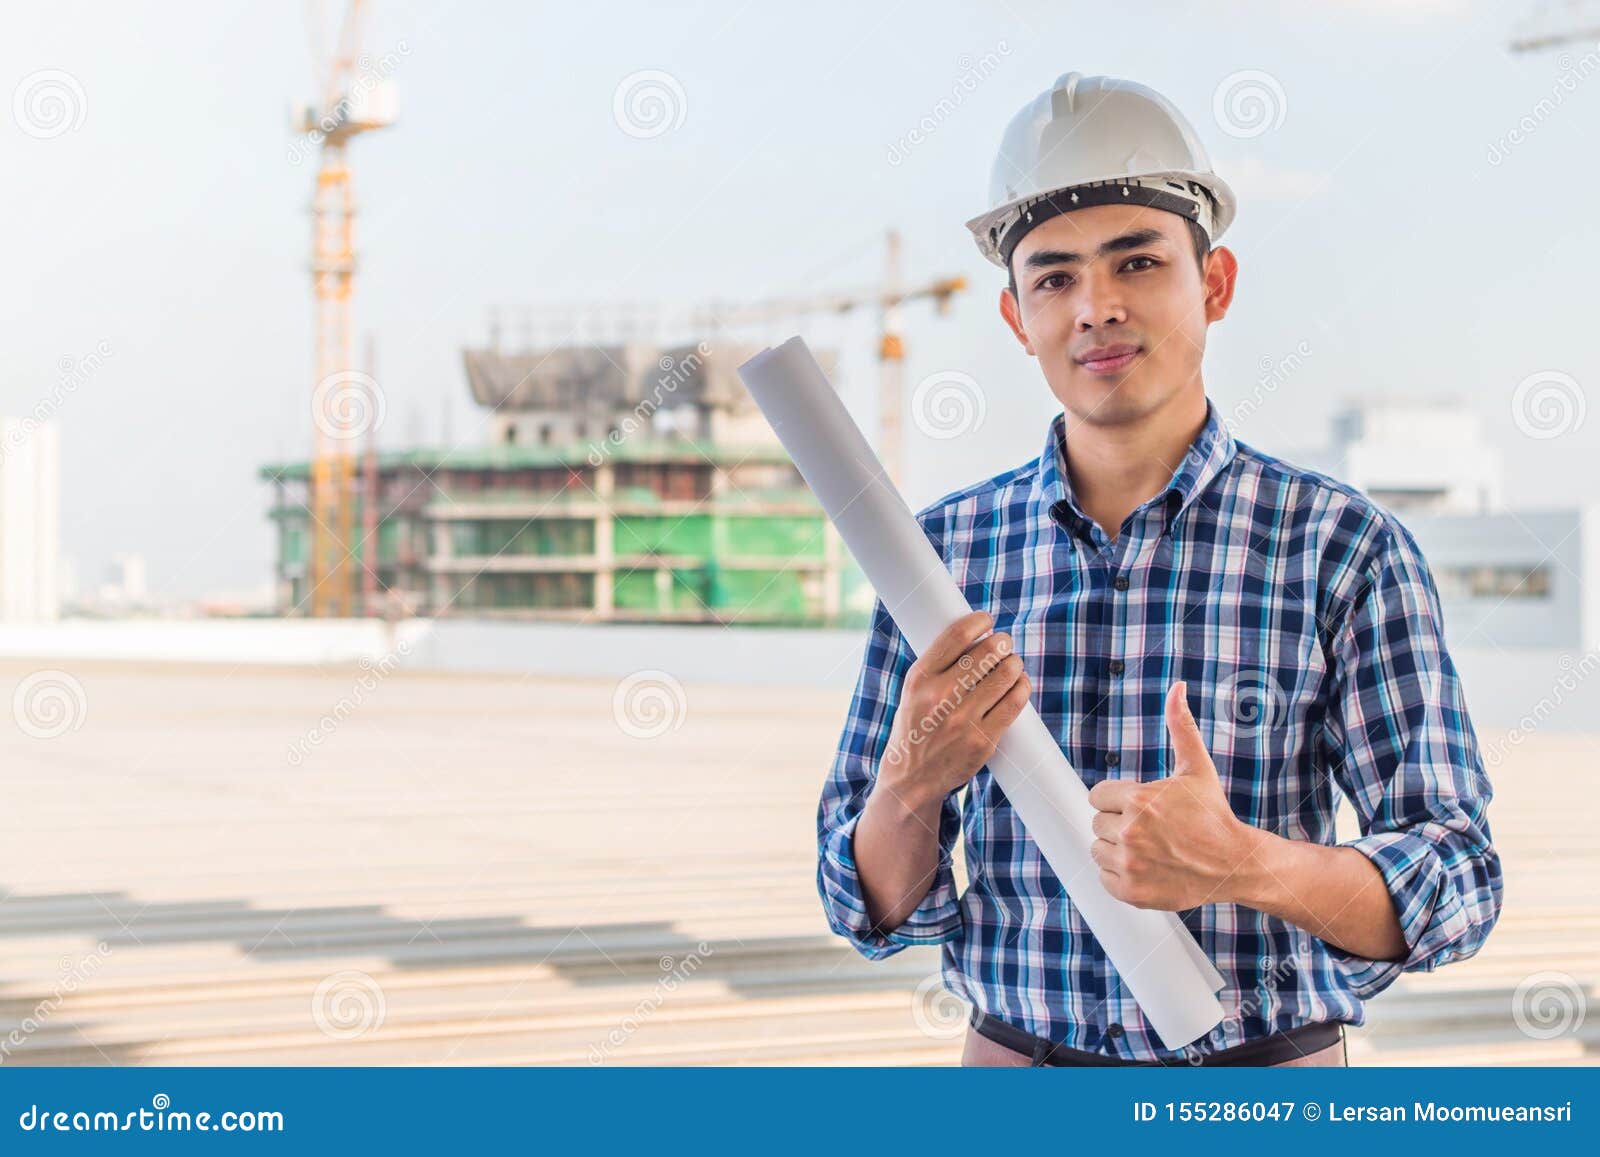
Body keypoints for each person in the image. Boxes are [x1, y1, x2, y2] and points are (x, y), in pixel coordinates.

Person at [816, 71, 1503, 1067]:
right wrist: (910, 784)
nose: (1096, 307)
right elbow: (867, 904)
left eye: (1136, 262)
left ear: (1213, 284)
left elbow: (1456, 879)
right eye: (1054, 278)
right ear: (1016, 318)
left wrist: (1245, 863)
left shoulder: (1339, 547)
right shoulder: (941, 558)